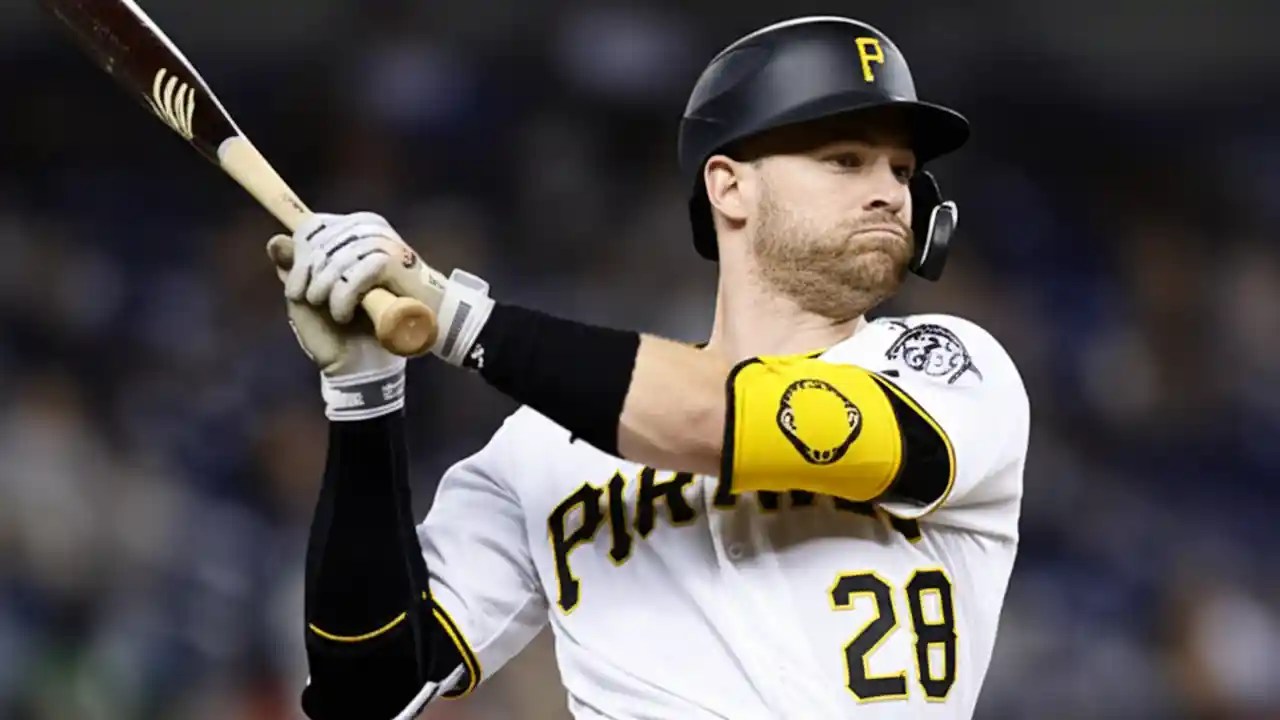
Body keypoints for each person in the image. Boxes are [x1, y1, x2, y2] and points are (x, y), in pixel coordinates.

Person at [269, 15, 1029, 720]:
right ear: (729, 186)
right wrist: (364, 398)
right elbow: (367, 693)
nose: (890, 193)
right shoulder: (544, 446)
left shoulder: (947, 370)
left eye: (902, 169)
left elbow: (722, 418)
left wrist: (460, 320)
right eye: (846, 160)